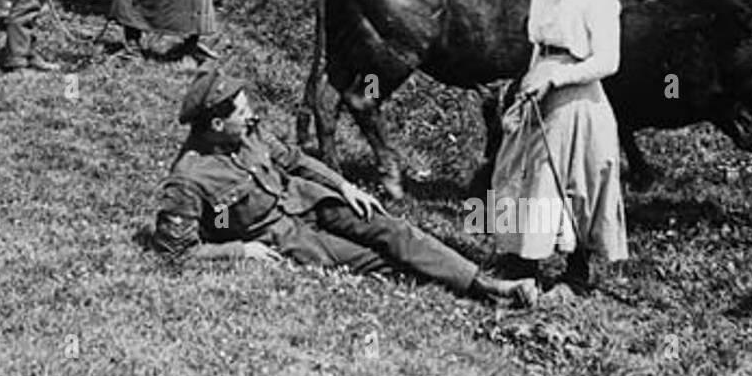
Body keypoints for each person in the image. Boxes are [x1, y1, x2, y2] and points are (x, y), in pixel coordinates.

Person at [151, 65, 537, 306]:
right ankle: (475, 292)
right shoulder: (189, 179)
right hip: (285, 236)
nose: (251, 115)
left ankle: (486, 284)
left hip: (310, 201)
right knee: (377, 262)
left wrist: (344, 186)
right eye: (240, 111)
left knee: (393, 228)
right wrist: (242, 250)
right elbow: (176, 254)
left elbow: (296, 161)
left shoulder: (247, 133)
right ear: (216, 125)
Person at [488, 0, 628, 289]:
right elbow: (540, 42)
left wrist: (557, 79)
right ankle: (524, 260)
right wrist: (529, 79)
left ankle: (577, 269)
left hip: (576, 94)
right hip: (540, 84)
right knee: (523, 171)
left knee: (571, 178)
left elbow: (609, 61)